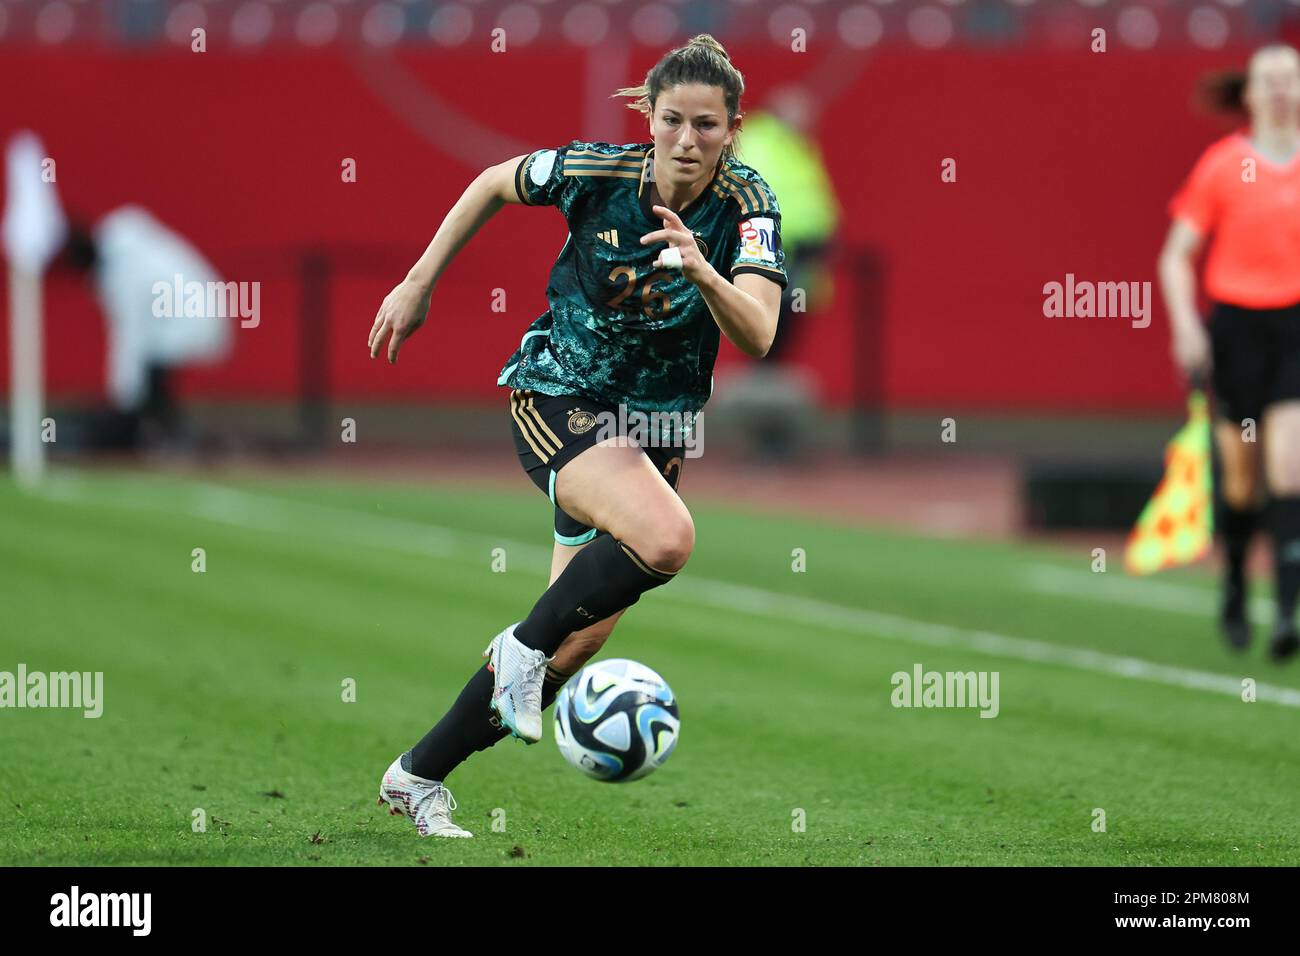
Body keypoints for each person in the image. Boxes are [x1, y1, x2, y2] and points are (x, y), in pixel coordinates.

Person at [367, 34, 786, 837]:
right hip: (560, 394)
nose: (688, 140)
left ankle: (416, 776)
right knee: (665, 539)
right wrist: (420, 281)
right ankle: (518, 651)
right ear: (651, 119)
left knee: (570, 651)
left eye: (707, 125)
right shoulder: (596, 172)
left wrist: (704, 271)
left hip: (657, 427)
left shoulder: (749, 206)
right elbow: (494, 181)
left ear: (732, 130)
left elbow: (761, 333)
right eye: (673, 120)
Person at [1158, 44, 1300, 661]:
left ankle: (1287, 615)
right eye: (1265, 81)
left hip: (1295, 327)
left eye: (1288, 80)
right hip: (1237, 328)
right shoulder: (1222, 165)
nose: (1276, 90)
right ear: (1248, 93)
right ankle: (1237, 583)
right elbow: (1175, 255)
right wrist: (1186, 327)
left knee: (1289, 469)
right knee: (1241, 483)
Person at [61, 206, 232, 450]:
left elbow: (130, 336)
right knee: (154, 379)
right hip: (188, 320)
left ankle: (167, 437)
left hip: (190, 322)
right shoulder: (132, 251)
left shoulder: (124, 269)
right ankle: (167, 435)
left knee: (151, 376)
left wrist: (122, 400)